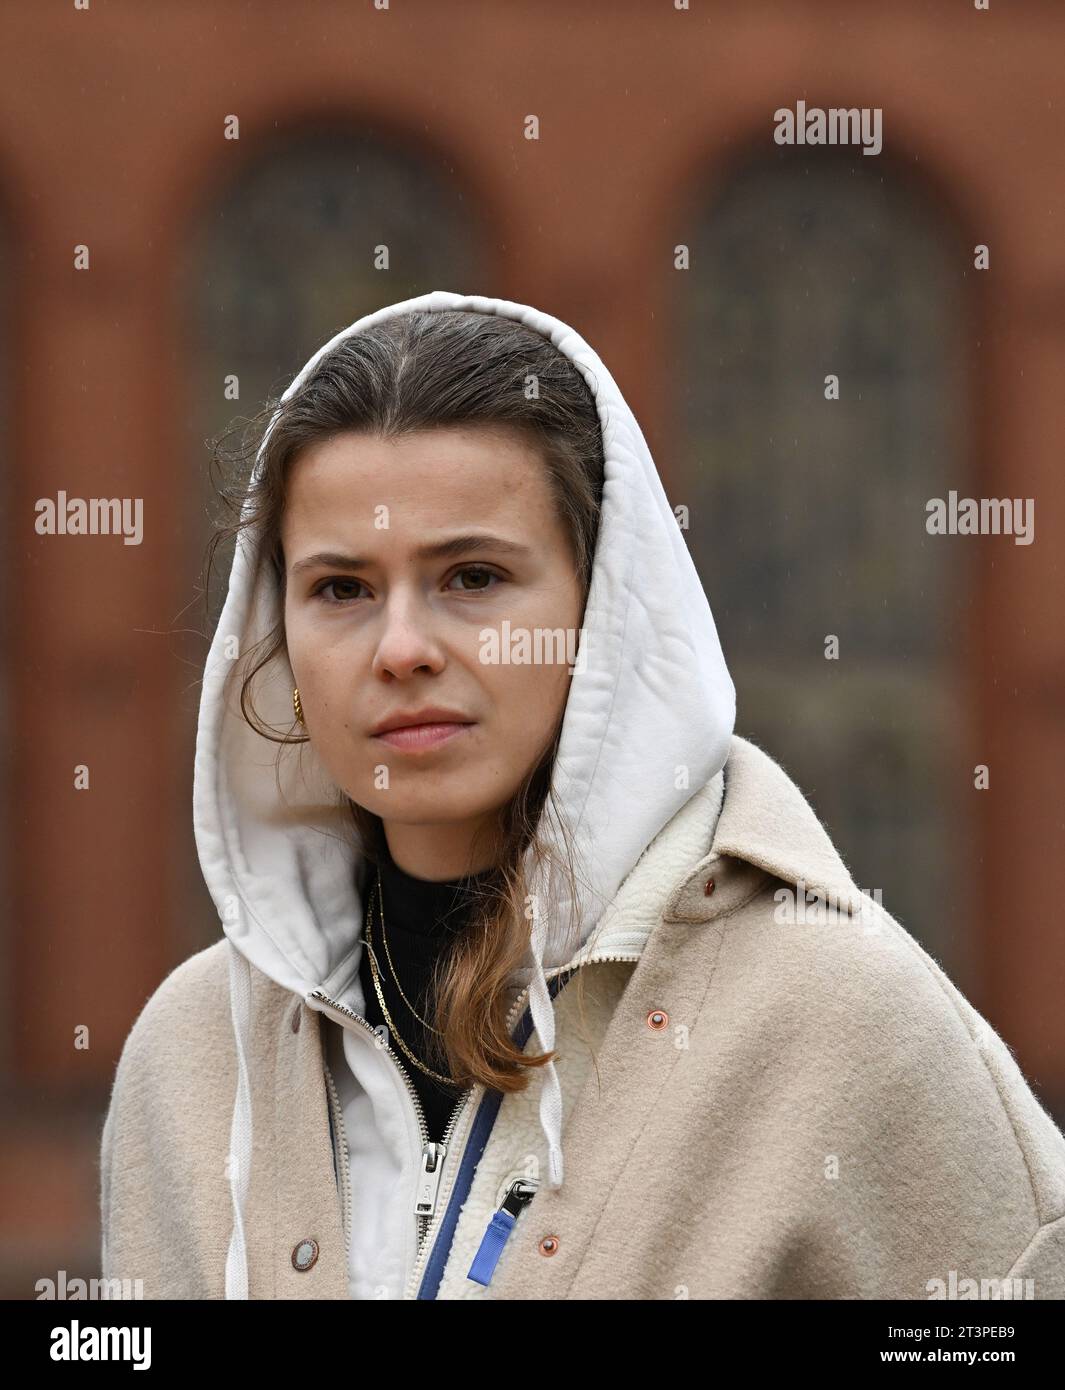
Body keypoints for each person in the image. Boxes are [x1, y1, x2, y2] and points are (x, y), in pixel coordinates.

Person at [99, 290, 1065, 1300]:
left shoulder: (844, 1026)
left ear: (605, 609)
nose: (401, 650)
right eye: (341, 588)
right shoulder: (196, 1057)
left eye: (472, 576)